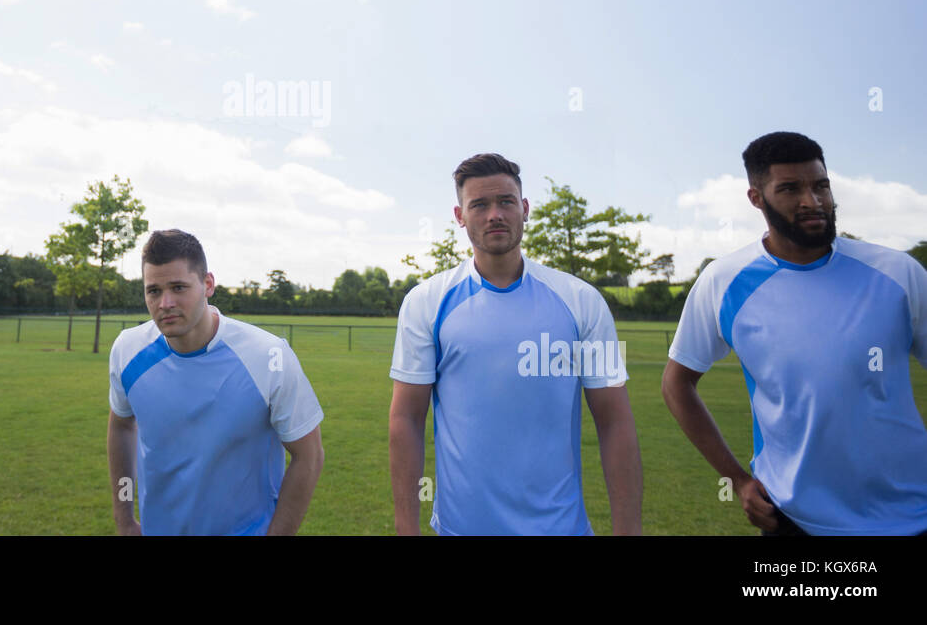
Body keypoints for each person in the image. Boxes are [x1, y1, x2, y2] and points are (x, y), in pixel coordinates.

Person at [663, 131, 927, 535]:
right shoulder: (725, 281)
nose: (813, 201)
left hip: (911, 517)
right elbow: (677, 384)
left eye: (820, 185)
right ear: (756, 197)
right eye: (790, 189)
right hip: (793, 521)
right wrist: (737, 479)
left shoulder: (897, 273)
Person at [389, 153, 642, 535]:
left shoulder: (584, 301)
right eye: (480, 204)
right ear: (459, 215)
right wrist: (407, 528)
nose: (495, 214)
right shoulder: (426, 302)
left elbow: (615, 420)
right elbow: (406, 418)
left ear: (524, 209)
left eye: (506, 202)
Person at [107, 229, 324, 535]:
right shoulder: (127, 351)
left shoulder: (268, 357)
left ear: (207, 284)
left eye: (178, 287)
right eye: (153, 291)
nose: (165, 303)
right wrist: (124, 518)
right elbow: (120, 426)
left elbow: (309, 455)